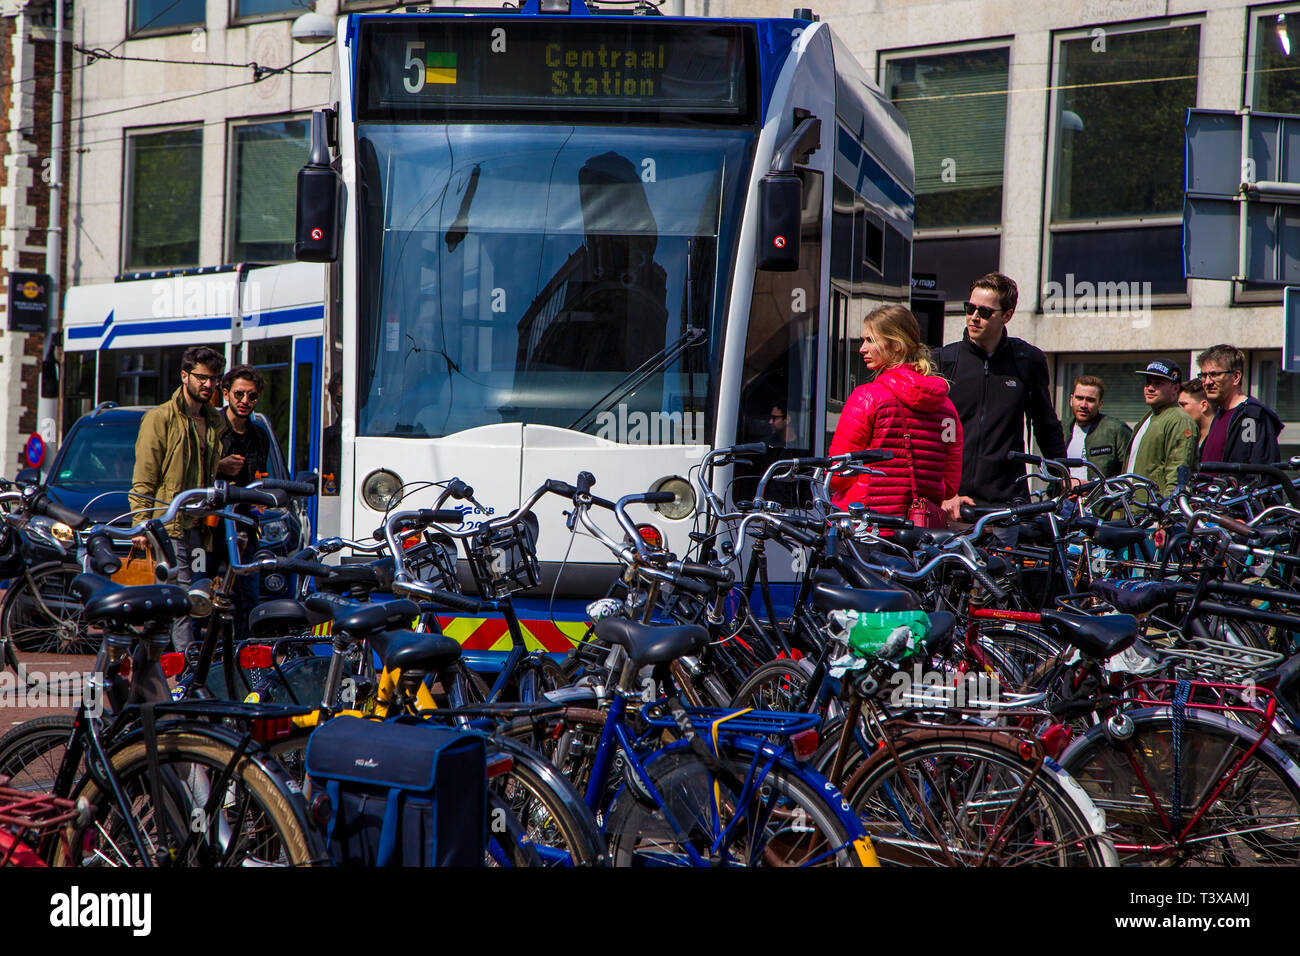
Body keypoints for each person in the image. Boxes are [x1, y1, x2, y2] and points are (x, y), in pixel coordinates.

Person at [935, 272, 1067, 519]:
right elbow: (924, 434)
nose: (974, 317)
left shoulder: (1028, 361)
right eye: (970, 308)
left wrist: (1064, 476)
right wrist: (941, 493)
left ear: (1007, 315)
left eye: (984, 312)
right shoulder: (943, 361)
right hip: (951, 504)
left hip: (1007, 506)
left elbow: (1046, 425)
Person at [129, 345, 226, 654]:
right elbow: (144, 478)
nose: (208, 385)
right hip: (168, 527)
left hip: (199, 528)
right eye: (201, 378)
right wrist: (141, 523)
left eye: (214, 379)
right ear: (184, 376)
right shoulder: (161, 419)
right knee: (182, 600)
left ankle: (151, 664)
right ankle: (186, 674)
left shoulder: (213, 421)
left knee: (196, 597)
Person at [827, 305, 962, 526]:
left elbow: (838, 475)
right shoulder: (946, 407)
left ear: (896, 346)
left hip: (865, 525)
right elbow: (949, 485)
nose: (862, 348)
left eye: (870, 340)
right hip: (919, 530)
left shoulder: (867, 397)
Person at [217, 365, 270, 643]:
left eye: (251, 396)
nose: (244, 402)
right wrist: (219, 466)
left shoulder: (260, 435)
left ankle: (245, 664)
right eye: (238, 394)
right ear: (226, 393)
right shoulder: (211, 429)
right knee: (209, 601)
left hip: (245, 530)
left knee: (249, 600)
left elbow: (261, 480)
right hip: (211, 530)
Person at [1196, 344, 1283, 465]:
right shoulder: (1220, 414)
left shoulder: (1251, 416)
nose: (1207, 382)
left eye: (1215, 374)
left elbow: (1259, 472)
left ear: (1236, 377)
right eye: (1203, 375)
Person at [1124, 359, 1197, 497]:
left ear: (1175, 388)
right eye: (1148, 382)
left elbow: (1178, 473)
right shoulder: (1150, 416)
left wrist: (1167, 509)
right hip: (1135, 507)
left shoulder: (1179, 421)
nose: (1150, 388)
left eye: (1158, 383)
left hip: (1153, 511)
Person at [1063, 374, 1132, 481]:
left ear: (1100, 404)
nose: (1083, 405)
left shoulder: (1116, 430)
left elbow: (1131, 472)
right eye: (1079, 398)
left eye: (1090, 400)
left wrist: (1091, 486)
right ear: (1071, 400)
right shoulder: (1060, 429)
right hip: (1063, 496)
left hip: (1101, 497)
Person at [1177, 378, 1215, 465]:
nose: (1179, 410)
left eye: (1183, 405)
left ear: (1204, 406)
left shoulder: (1219, 437)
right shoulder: (1190, 436)